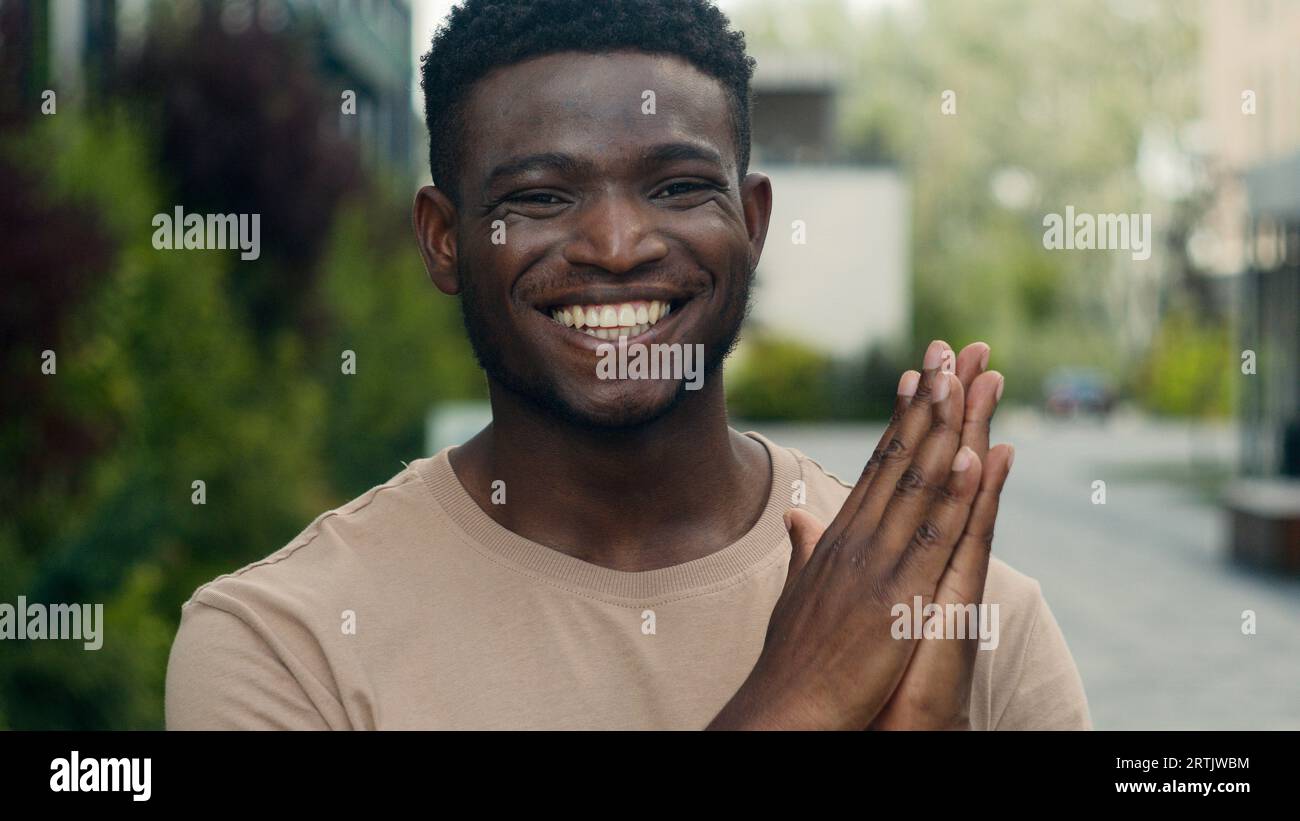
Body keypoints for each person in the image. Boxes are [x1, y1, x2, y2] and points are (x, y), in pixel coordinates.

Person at [165, 0, 1090, 730]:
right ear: (445, 242)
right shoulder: (285, 643)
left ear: (753, 222)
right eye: (540, 195)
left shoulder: (962, 620)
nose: (615, 244)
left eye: (679, 186)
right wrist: (799, 702)